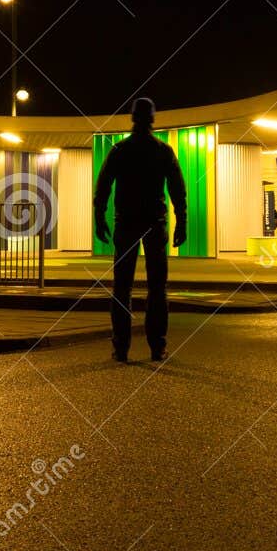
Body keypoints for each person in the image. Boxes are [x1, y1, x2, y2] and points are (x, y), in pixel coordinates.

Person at [93, 96, 187, 362]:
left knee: (122, 287)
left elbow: (103, 186)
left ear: (132, 118)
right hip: (155, 224)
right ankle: (157, 347)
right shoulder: (163, 150)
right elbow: (178, 190)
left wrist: (99, 217)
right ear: (153, 119)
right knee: (157, 287)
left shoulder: (120, 150)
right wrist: (182, 221)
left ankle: (120, 348)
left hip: (126, 222)